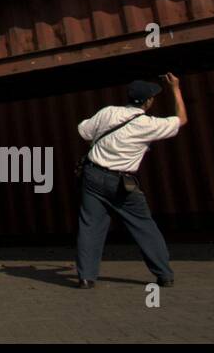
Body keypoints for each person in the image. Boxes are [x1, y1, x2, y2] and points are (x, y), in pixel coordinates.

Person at [75, 72, 187, 289]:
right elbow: (181, 119)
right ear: (148, 101)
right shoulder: (148, 125)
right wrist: (175, 89)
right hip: (121, 182)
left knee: (90, 226)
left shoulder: (108, 112)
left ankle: (86, 278)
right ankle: (164, 275)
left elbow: (84, 131)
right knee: (144, 226)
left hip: (93, 176)